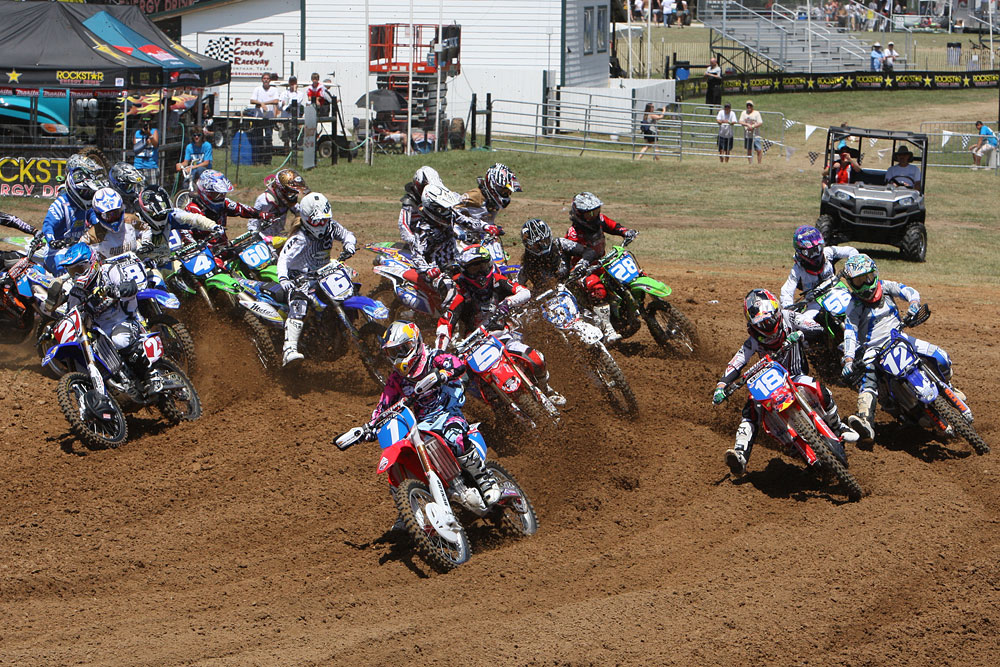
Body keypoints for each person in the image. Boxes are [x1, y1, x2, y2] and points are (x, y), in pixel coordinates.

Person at [712, 289, 858, 476]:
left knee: (821, 390)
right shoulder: (753, 341)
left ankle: (838, 427)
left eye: (770, 319)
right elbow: (737, 362)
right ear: (753, 325)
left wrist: (801, 335)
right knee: (751, 410)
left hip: (795, 376)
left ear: (777, 313)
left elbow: (816, 328)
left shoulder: (790, 318)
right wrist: (722, 385)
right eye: (761, 324)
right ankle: (740, 456)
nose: (767, 325)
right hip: (770, 385)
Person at [373, 320, 501, 507]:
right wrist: (369, 426)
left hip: (447, 412)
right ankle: (409, 508)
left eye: (402, 349)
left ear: (414, 343)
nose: (399, 356)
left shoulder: (432, 357)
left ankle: (484, 478)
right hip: (421, 424)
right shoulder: (396, 379)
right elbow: (383, 404)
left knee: (455, 438)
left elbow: (456, 364)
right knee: (404, 460)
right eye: (393, 352)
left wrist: (444, 374)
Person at [839, 254, 961, 441]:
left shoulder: (886, 287)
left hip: (899, 337)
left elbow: (908, 291)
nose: (865, 285)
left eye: (868, 278)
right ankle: (865, 421)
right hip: (873, 350)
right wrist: (848, 359)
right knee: (867, 378)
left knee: (940, 356)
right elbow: (849, 333)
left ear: (875, 274)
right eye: (858, 281)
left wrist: (913, 304)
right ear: (850, 283)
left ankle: (948, 386)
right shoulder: (853, 307)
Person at [435, 245, 565, 405]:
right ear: (465, 271)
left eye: (483, 266)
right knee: (460, 385)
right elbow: (445, 323)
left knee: (536, 359)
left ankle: (546, 389)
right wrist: (439, 353)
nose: (481, 273)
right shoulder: (459, 292)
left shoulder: (497, 280)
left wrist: (507, 303)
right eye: (475, 269)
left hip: (502, 336)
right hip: (473, 347)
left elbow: (525, 292)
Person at [276, 192, 357, 367]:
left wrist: (349, 244)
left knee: (350, 284)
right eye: (316, 221)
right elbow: (283, 259)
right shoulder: (299, 238)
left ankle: (351, 326)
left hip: (324, 272)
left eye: (324, 220)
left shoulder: (331, 227)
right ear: (306, 219)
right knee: (299, 305)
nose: (321, 224)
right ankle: (289, 349)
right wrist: (284, 279)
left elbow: (347, 234)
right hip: (300, 278)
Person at [517, 218, 616, 341]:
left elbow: (589, 252)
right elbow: (517, 285)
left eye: (545, 241)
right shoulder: (527, 263)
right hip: (547, 301)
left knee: (594, 286)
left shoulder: (560, 244)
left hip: (570, 286)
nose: (542, 246)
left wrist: (582, 263)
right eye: (537, 245)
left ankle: (608, 328)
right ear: (528, 245)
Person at [564, 192, 637, 341]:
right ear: (580, 214)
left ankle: (632, 307)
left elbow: (614, 226)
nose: (595, 215)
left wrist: (626, 232)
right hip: (582, 271)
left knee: (627, 275)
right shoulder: (573, 234)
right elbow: (568, 255)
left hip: (602, 263)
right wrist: (580, 266)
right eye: (591, 213)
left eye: (597, 211)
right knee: (599, 290)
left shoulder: (600, 220)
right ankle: (608, 330)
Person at [779, 225, 858, 319]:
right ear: (800, 252)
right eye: (810, 252)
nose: (815, 254)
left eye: (818, 249)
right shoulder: (797, 269)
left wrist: (851, 269)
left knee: (860, 307)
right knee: (805, 325)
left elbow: (851, 251)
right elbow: (786, 291)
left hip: (837, 290)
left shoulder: (828, 252)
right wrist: (788, 308)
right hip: (814, 303)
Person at [41, 161, 106, 272]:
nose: (88, 195)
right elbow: (48, 225)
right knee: (65, 274)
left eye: (89, 192)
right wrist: (52, 241)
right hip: (57, 251)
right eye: (85, 192)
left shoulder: (87, 206)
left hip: (78, 248)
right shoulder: (60, 204)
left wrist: (104, 230)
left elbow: (96, 222)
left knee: (99, 268)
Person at [134, 187, 223, 261]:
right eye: (159, 215)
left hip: (168, 258)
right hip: (147, 263)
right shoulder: (136, 223)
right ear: (146, 211)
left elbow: (194, 218)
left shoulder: (172, 214)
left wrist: (213, 226)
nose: (162, 216)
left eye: (164, 213)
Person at [184, 170, 264, 231]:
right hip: (203, 251)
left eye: (222, 194)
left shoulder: (225, 203)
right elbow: (185, 235)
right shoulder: (192, 209)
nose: (220, 197)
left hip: (223, 247)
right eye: (216, 194)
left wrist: (260, 214)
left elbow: (241, 209)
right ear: (205, 192)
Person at [84, 187, 149, 260]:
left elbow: (146, 229)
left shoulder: (131, 220)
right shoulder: (93, 234)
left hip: (135, 263)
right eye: (107, 216)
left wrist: (145, 242)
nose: (113, 218)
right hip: (108, 269)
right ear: (99, 215)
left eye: (116, 213)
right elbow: (81, 250)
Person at [248, 168, 309, 236]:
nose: (293, 196)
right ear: (281, 189)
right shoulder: (264, 201)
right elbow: (252, 224)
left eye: (294, 192)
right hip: (263, 240)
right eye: (290, 192)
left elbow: (300, 211)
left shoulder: (287, 200)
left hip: (279, 237)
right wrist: (259, 237)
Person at [133, 115, 160, 187]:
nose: (145, 123)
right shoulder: (137, 133)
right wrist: (144, 143)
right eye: (143, 122)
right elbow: (135, 148)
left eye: (147, 122)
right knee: (139, 189)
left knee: (152, 189)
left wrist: (149, 134)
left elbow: (155, 144)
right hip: (139, 166)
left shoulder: (154, 131)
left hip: (151, 166)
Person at [739, 100, 764, 165]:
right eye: (747, 105)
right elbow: (740, 121)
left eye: (750, 105)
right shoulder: (743, 113)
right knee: (749, 150)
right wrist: (747, 125)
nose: (749, 106)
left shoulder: (756, 113)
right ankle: (750, 163)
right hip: (747, 135)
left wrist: (752, 126)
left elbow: (760, 122)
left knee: (758, 150)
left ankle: (759, 163)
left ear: (752, 106)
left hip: (756, 135)